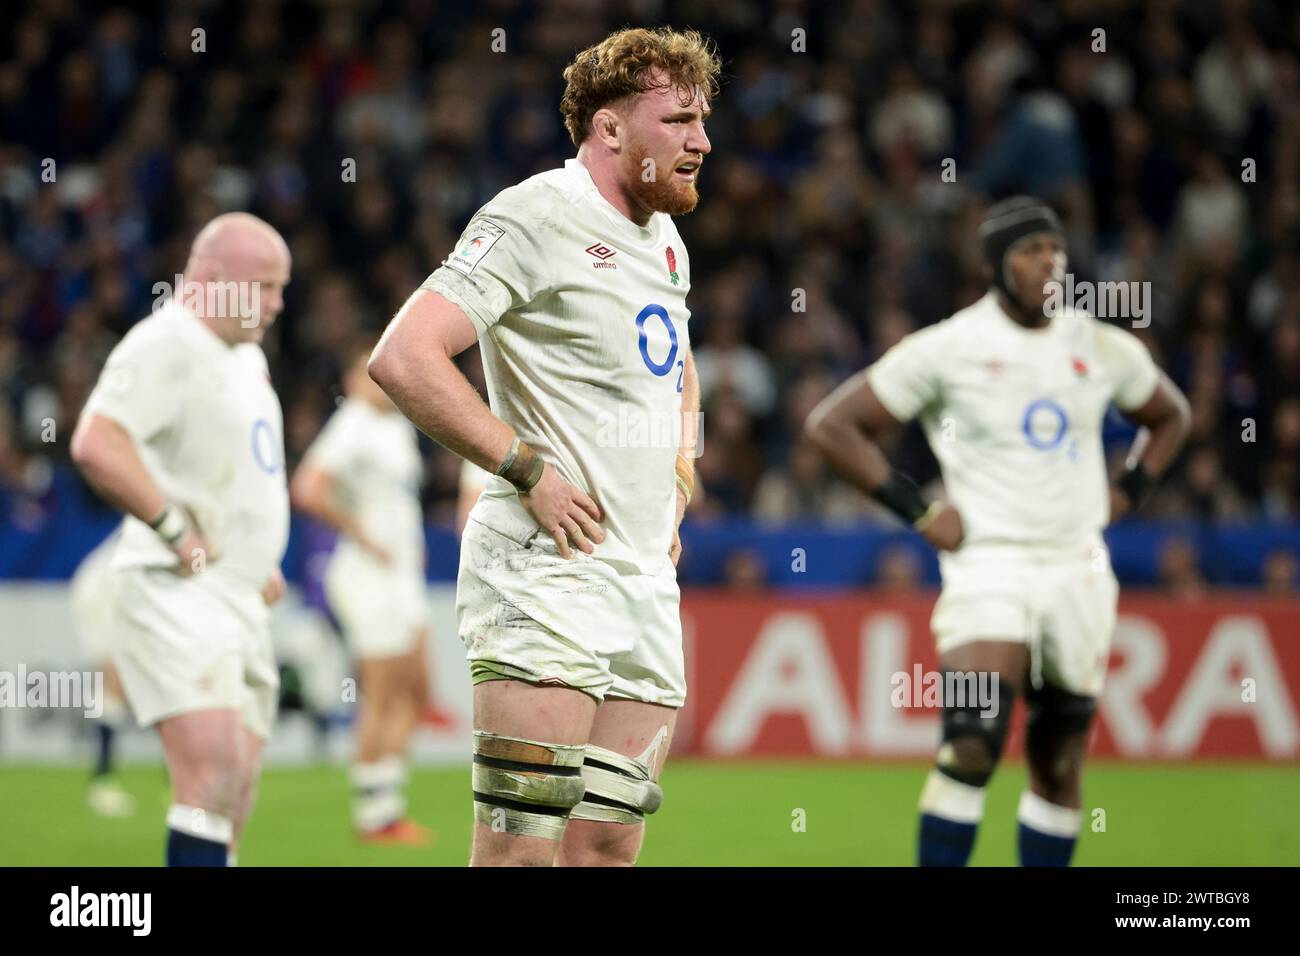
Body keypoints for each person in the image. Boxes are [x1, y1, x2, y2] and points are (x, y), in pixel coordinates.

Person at [367, 27, 719, 865]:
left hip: (639, 580)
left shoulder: (665, 240)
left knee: (604, 850)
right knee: (520, 854)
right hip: (545, 574)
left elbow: (682, 368)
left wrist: (680, 470)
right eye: (676, 120)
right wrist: (526, 468)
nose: (701, 141)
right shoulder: (535, 216)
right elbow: (404, 356)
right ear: (607, 129)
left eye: (702, 120)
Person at [806, 196, 1191, 866]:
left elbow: (1172, 416)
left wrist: (1128, 489)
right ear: (994, 265)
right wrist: (919, 510)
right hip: (988, 566)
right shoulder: (951, 346)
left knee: (1060, 763)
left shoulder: (1098, 344)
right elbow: (831, 426)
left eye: (1056, 251)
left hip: (1078, 569)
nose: (1049, 263)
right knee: (972, 738)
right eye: (1030, 251)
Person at [71, 212, 292, 866]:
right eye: (266, 287)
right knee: (214, 775)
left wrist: (257, 558)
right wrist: (175, 530)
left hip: (238, 596)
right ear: (214, 279)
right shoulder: (168, 341)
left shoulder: (244, 357)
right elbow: (96, 441)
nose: (280, 304)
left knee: (235, 793)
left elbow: (235, 471)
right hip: (178, 589)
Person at [291, 336, 450, 846]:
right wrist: (361, 533)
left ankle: (388, 801)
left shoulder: (395, 423)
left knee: (419, 686)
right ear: (351, 382)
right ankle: (375, 814)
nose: (378, 380)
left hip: (399, 573)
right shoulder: (352, 424)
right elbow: (308, 487)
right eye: (367, 372)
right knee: (381, 693)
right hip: (368, 574)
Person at [68, 524, 136, 817]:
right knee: (114, 683)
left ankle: (104, 781)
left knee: (121, 687)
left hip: (111, 589)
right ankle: (102, 782)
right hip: (103, 593)